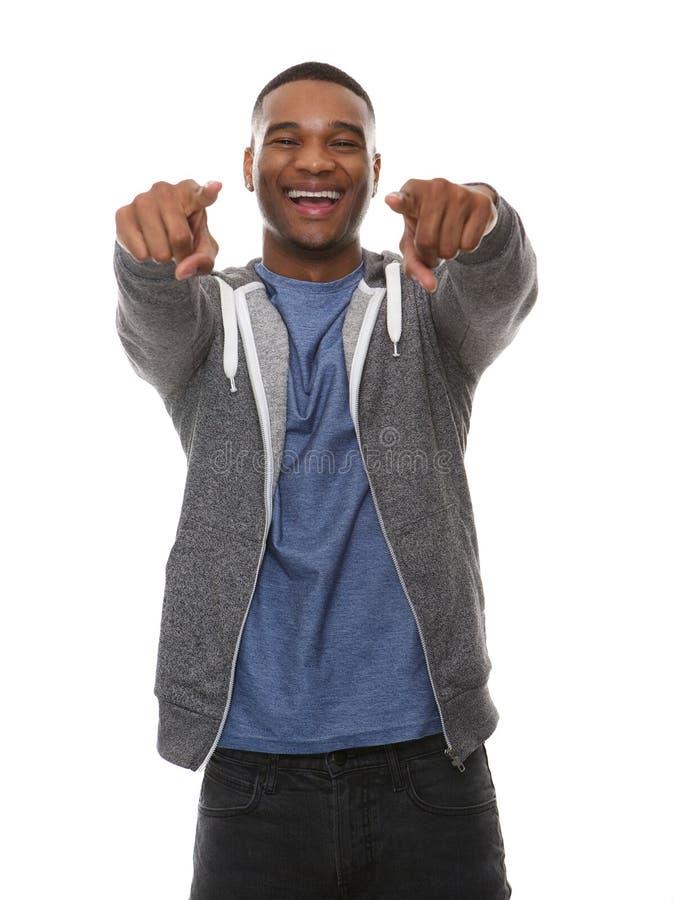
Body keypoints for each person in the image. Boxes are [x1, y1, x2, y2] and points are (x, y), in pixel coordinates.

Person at [114, 60, 537, 900]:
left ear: (375, 173)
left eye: (343, 143)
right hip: (253, 781)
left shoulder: (425, 308)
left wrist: (485, 219)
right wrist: (147, 258)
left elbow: (498, 290)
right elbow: (152, 324)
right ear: (247, 168)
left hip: (432, 771)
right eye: (287, 140)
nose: (315, 160)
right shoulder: (208, 318)